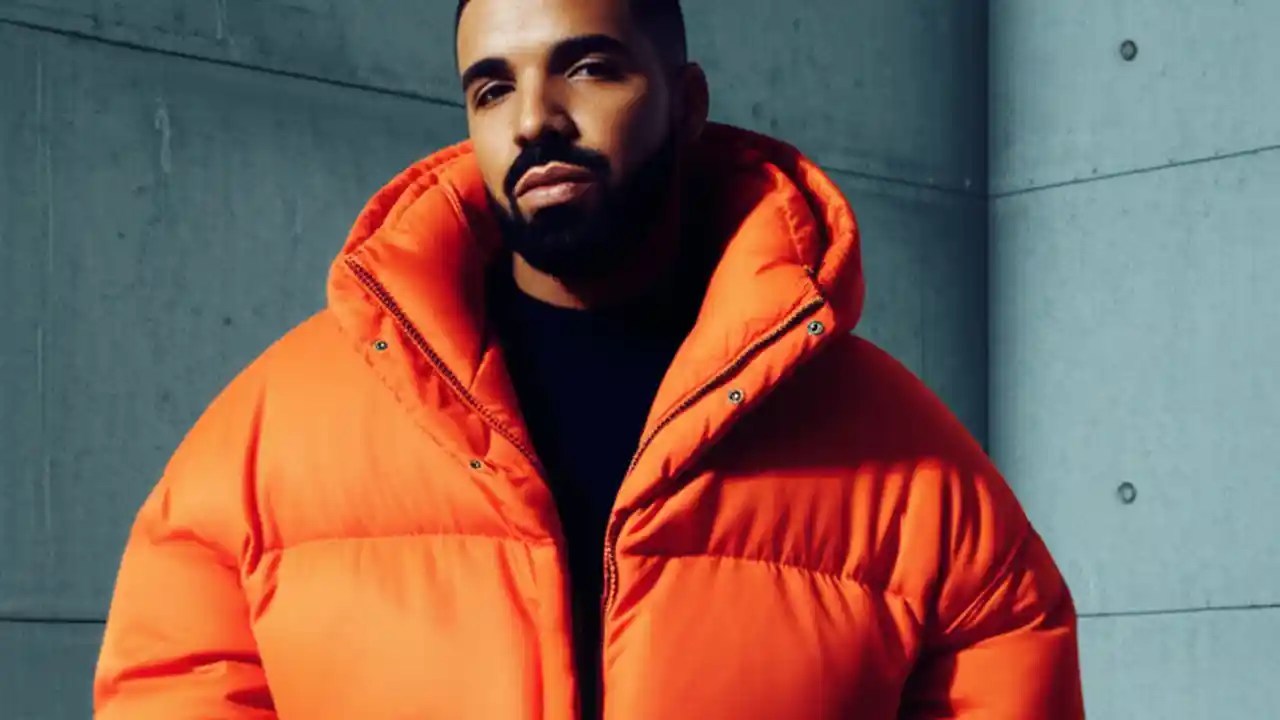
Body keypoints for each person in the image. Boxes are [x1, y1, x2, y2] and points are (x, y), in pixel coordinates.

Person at [94, 0, 1085, 717]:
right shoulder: (268, 436)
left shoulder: (902, 456)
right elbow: (173, 689)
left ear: (683, 102)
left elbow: (1007, 682)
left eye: (587, 67)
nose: (533, 120)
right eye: (492, 88)